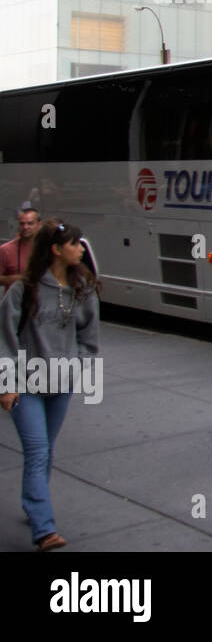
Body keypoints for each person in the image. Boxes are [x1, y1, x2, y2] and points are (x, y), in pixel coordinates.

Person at [0, 220, 100, 551]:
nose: (81, 248)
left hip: (61, 383)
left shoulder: (83, 289)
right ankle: (44, 529)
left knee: (46, 451)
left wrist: (79, 368)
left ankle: (33, 504)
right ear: (57, 249)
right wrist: (6, 385)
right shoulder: (23, 289)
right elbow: (4, 339)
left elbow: (89, 339)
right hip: (26, 384)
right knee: (38, 450)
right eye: (74, 243)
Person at [0, 204, 40, 291]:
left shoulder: (48, 248)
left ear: (39, 224)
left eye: (30, 223)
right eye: (22, 224)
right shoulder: (5, 250)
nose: (25, 227)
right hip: (16, 302)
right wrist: (16, 279)